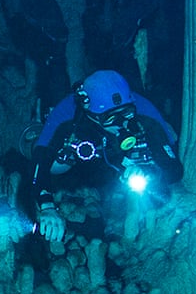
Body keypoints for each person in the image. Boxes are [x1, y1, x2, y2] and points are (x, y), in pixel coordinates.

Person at [28, 69, 182, 241]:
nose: (121, 123)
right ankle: (38, 126)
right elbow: (40, 159)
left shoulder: (145, 111)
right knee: (53, 164)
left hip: (117, 155)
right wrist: (47, 206)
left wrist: (148, 170)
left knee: (161, 140)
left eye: (126, 113)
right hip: (79, 149)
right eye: (110, 118)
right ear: (91, 113)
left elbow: (174, 169)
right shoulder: (66, 112)